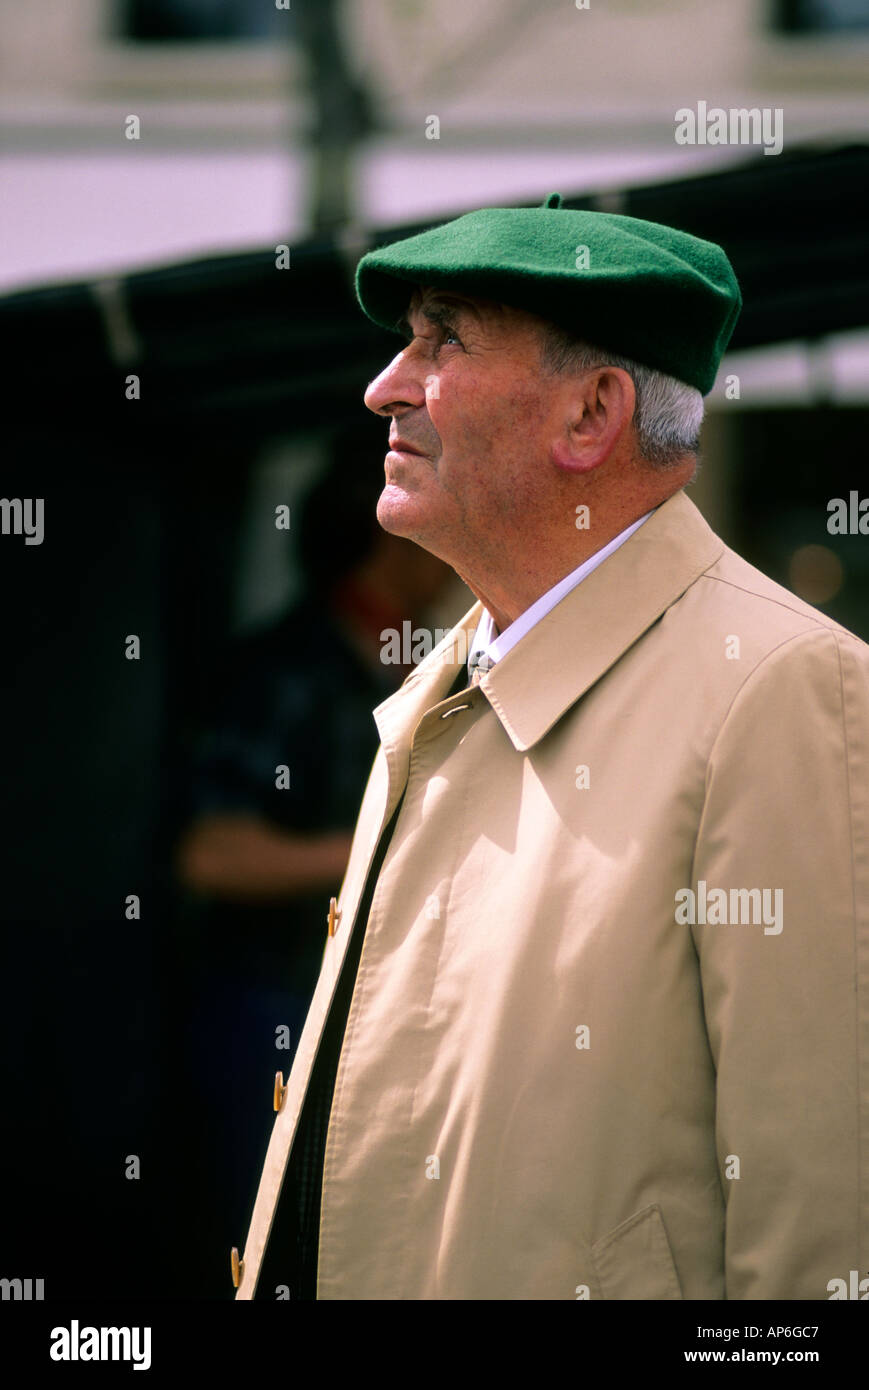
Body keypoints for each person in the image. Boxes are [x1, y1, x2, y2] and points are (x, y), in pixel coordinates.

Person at [233, 194, 869, 1301]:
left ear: (590, 415)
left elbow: (822, 1230)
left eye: (443, 338)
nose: (385, 384)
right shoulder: (451, 679)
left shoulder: (779, 688)